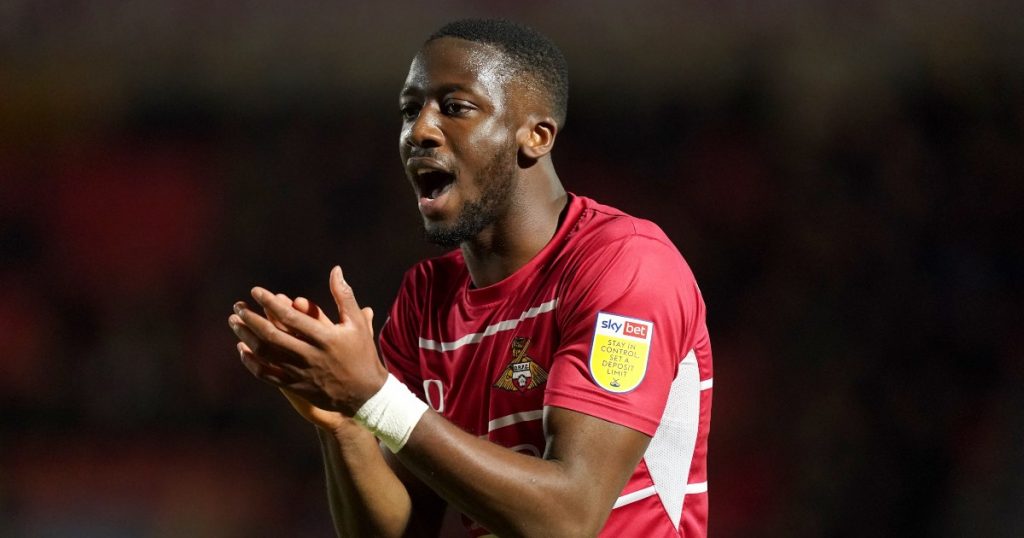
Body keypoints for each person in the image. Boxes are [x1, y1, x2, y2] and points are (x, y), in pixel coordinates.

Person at [228, 18, 713, 537]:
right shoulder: (426, 298)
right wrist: (345, 420)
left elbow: (569, 519)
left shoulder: (624, 265)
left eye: (455, 107)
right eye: (410, 109)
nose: (419, 130)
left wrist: (373, 396)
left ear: (537, 135)